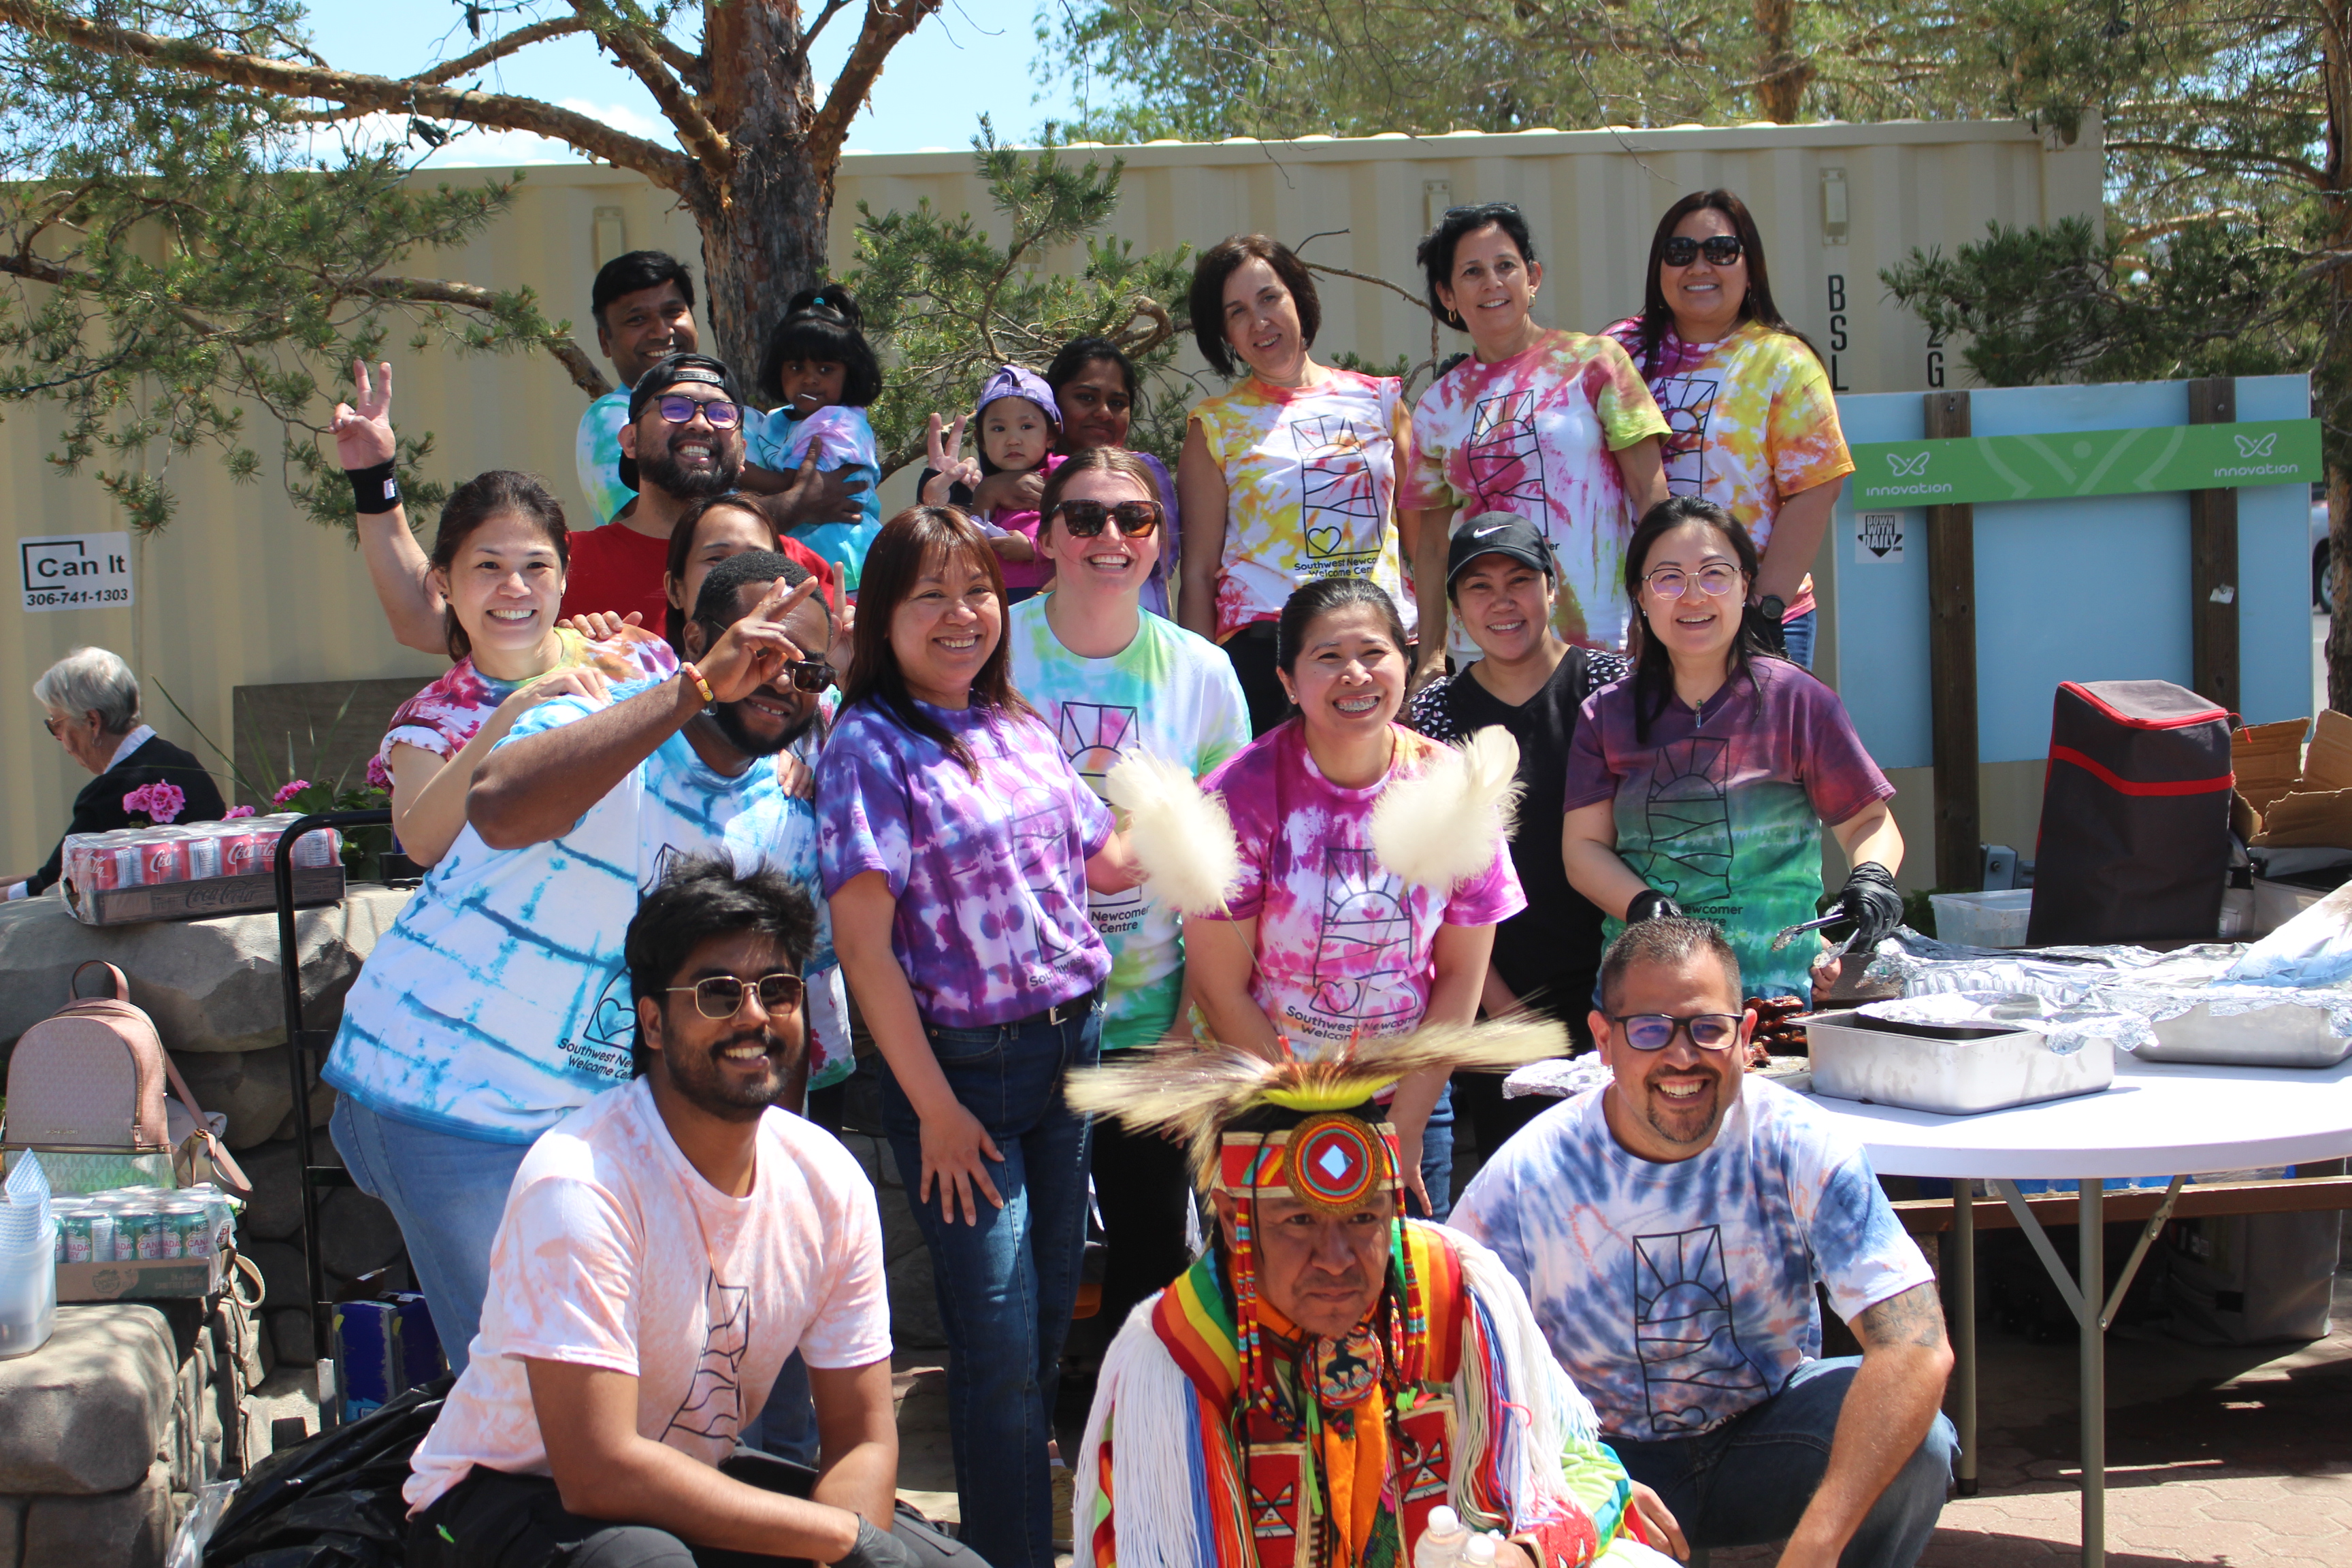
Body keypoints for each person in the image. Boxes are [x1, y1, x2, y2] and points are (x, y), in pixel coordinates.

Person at [324, 557, 837, 1373]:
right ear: (698, 642)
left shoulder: (787, 820)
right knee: (527, 1390)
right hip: (445, 1096)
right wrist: (695, 690)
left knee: (626, 1385)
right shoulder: (598, 704)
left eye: (805, 670)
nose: (779, 679)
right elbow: (497, 807)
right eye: (759, 651)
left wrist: (760, 1174)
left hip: (596, 1132)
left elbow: (773, 1017)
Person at [404, 859, 937, 1568]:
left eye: (778, 990)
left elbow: (862, 1436)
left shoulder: (827, 1180)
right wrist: (842, 1539)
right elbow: (597, 1470)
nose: (755, 1016)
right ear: (653, 1023)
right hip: (497, 1501)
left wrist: (848, 1554)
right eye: (718, 994)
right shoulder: (582, 1182)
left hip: (673, 1485)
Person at [818, 505, 1139, 1568]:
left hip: (1070, 1052)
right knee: (997, 1347)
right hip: (964, 1079)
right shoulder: (871, 745)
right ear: (883, 617)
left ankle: (1013, 1535)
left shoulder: (1016, 724)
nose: (962, 615)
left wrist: (1210, 802)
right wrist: (936, 1113)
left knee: (1040, 1333)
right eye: (931, 597)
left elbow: (1106, 862)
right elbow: (864, 949)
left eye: (977, 593)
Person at [1450, 917, 1956, 1568]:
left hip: (1764, 1432)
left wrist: (1818, 1546)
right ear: (1603, 1040)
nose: (1682, 1056)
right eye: (1649, 1030)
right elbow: (1452, 1376)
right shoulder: (1526, 1177)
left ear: (1746, 1035)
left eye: (1708, 1028)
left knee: (1920, 1442)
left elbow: (1916, 1344)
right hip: (1602, 1455)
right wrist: (1583, 1481)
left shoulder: (1799, 1141)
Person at [1068, 1027, 1676, 1568]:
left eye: (1363, 1219)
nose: (1336, 1259)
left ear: (1394, 1207)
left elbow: (1577, 1466)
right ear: (1234, 1221)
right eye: (1299, 1222)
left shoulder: (1459, 1291)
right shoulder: (1178, 1355)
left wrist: (1521, 1555)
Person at [1002, 446, 1252, 1345]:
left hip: (1154, 1022)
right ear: (1046, 536)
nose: (1111, 535)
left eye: (1134, 518)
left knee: (1150, 1263)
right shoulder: (994, 649)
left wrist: (1192, 1025)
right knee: (1022, 1265)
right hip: (1015, 1017)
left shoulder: (1203, 672)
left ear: (1158, 539)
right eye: (1085, 517)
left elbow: (1225, 873)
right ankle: (1033, 1421)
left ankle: (1126, 1425)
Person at [1188, 576, 1525, 1222]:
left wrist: (1404, 1126)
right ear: (1288, 681)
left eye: (1374, 653)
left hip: (1411, 1094)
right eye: (1328, 657)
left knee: (1408, 1278)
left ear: (1406, 661)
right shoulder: (1239, 795)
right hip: (1270, 1097)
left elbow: (1461, 976)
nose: (1355, 674)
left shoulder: (1454, 789)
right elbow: (1218, 987)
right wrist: (1314, 1114)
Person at [1561, 498, 1905, 1004]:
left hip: (1777, 995)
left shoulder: (1800, 702)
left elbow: (1869, 823)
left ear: (1746, 586)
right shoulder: (1605, 715)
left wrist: (1872, 877)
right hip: (1645, 1002)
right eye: (1668, 578)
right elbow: (1584, 849)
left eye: (1715, 574)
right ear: (1640, 595)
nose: (1693, 596)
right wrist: (1642, 904)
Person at [344, 357, 835, 657]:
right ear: (629, 440)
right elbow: (423, 620)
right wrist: (373, 478)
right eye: (676, 407)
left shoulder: (798, 569)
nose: (701, 424)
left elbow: (837, 674)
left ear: (743, 451)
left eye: (723, 412)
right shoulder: (556, 562)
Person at [1405, 515, 1624, 1158]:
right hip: (1495, 991)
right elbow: (1438, 887)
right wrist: (1501, 1010)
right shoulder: (1436, 714)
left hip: (1617, 982)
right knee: (1522, 1181)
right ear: (1456, 609)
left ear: (1552, 588)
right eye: (1479, 587)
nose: (1502, 602)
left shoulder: (1612, 687)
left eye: (1519, 581)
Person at [1403, 203, 1671, 679]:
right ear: (1447, 294)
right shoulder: (1438, 404)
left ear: (1533, 277)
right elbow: (1432, 549)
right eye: (1472, 272)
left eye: (1505, 265)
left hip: (1600, 635)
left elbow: (1650, 494)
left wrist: (1654, 606)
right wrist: (1433, 655)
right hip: (1486, 649)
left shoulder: (1595, 362)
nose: (1492, 282)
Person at [1604, 191, 1855, 669]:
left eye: (1720, 251)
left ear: (1750, 266)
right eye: (1680, 252)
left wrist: (1760, 609)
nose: (1699, 266)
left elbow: (1816, 489)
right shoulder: (1618, 352)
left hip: (1752, 616)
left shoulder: (1784, 361)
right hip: (1639, 621)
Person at [1177, 234, 1416, 733]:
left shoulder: (1380, 403)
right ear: (1225, 333)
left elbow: (1425, 546)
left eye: (1270, 298)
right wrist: (1198, 691)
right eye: (1238, 312)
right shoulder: (1214, 425)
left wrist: (1433, 650)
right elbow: (1198, 573)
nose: (1259, 321)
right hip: (1265, 660)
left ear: (1299, 298)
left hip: (1377, 649)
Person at [377, 470, 676, 868]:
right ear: (443, 582)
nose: (516, 587)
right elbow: (423, 845)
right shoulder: (430, 720)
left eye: (537, 565)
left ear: (564, 576)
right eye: (489, 565)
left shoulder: (637, 656)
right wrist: (510, 715)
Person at [8, 647, 225, 900]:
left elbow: (54, 887)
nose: (59, 739)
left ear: (92, 721)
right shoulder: (180, 759)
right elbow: (51, 875)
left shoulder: (114, 790)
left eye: (56, 724)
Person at [742, 285, 887, 583]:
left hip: (846, 558)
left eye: (826, 369)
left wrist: (735, 470)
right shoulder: (778, 419)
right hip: (805, 557)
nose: (809, 379)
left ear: (850, 374)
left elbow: (798, 488)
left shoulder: (838, 424)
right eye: (796, 367)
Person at [1043, 336, 1181, 617]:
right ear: (1053, 404)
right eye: (1086, 398)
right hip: (1038, 633)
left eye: (1117, 403)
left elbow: (1163, 560)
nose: (1104, 413)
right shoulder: (1020, 475)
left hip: (1139, 631)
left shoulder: (1145, 473)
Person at [574, 250, 701, 529]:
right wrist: (797, 498)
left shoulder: (732, 414)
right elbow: (669, 523)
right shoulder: (614, 418)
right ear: (605, 341)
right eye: (637, 320)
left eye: (673, 312)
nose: (662, 332)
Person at [921, 365, 1066, 602]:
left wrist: (1034, 548)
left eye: (1027, 427)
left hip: (1049, 596)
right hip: (992, 597)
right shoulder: (977, 485)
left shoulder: (1063, 473)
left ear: (1051, 435)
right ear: (982, 441)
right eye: (998, 429)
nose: (1013, 440)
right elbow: (967, 545)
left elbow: (1082, 531)